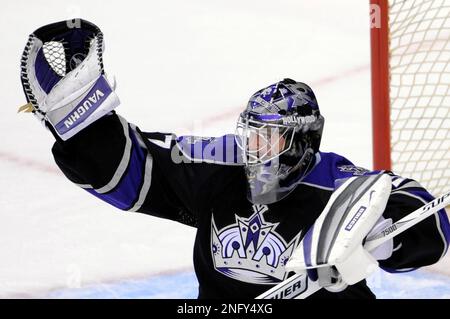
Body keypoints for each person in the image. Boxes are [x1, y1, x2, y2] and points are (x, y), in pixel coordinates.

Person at [19, 19, 449, 299]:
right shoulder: (220, 169)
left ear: (301, 141)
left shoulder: (336, 183)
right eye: (251, 134)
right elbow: (136, 166)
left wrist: (381, 237)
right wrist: (83, 127)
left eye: (269, 138)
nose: (254, 149)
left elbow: (426, 218)